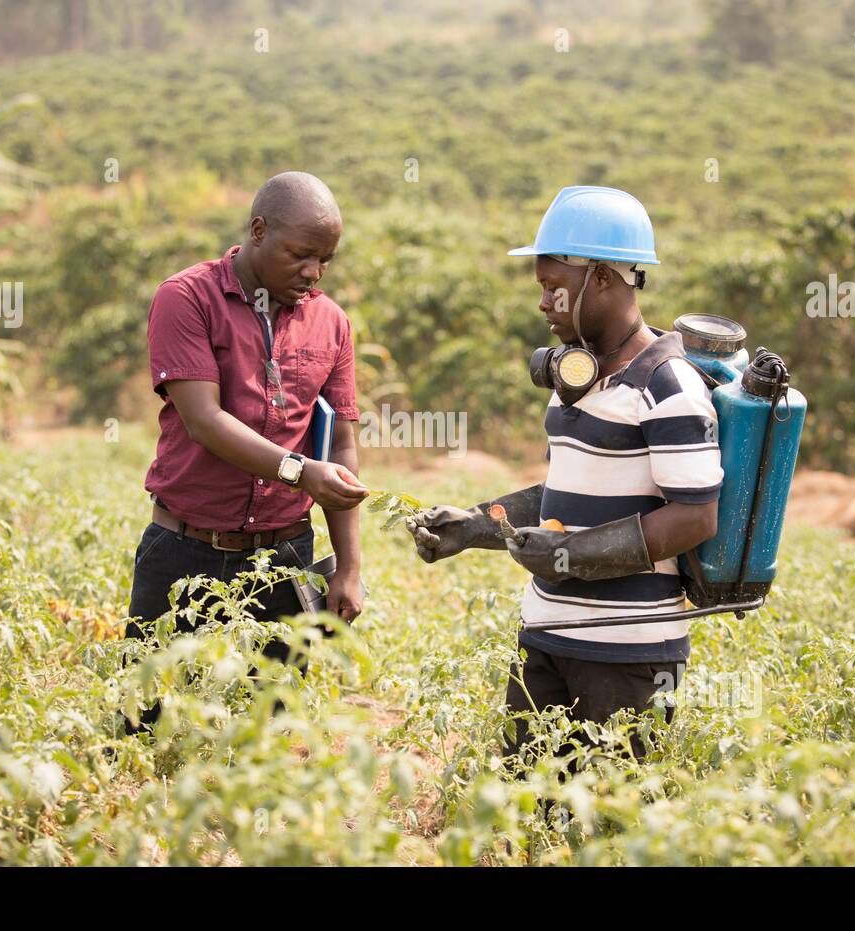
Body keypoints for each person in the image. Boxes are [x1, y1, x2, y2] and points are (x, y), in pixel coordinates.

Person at [406, 186, 722, 767]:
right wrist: (475, 526)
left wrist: (576, 555)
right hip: (546, 635)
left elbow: (696, 516)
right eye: (541, 289)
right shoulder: (580, 377)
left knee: (604, 827)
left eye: (555, 288)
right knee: (528, 814)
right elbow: (564, 493)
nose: (544, 304)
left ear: (602, 279)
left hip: (628, 658)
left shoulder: (669, 387)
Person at [123, 171, 368, 734]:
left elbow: (342, 445)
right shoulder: (186, 298)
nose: (313, 273)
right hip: (185, 549)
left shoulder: (331, 322)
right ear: (258, 231)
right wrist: (298, 472)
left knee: (273, 730)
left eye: (325, 259)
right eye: (301, 255)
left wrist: (350, 567)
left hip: (285, 557)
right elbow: (204, 420)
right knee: (145, 721)